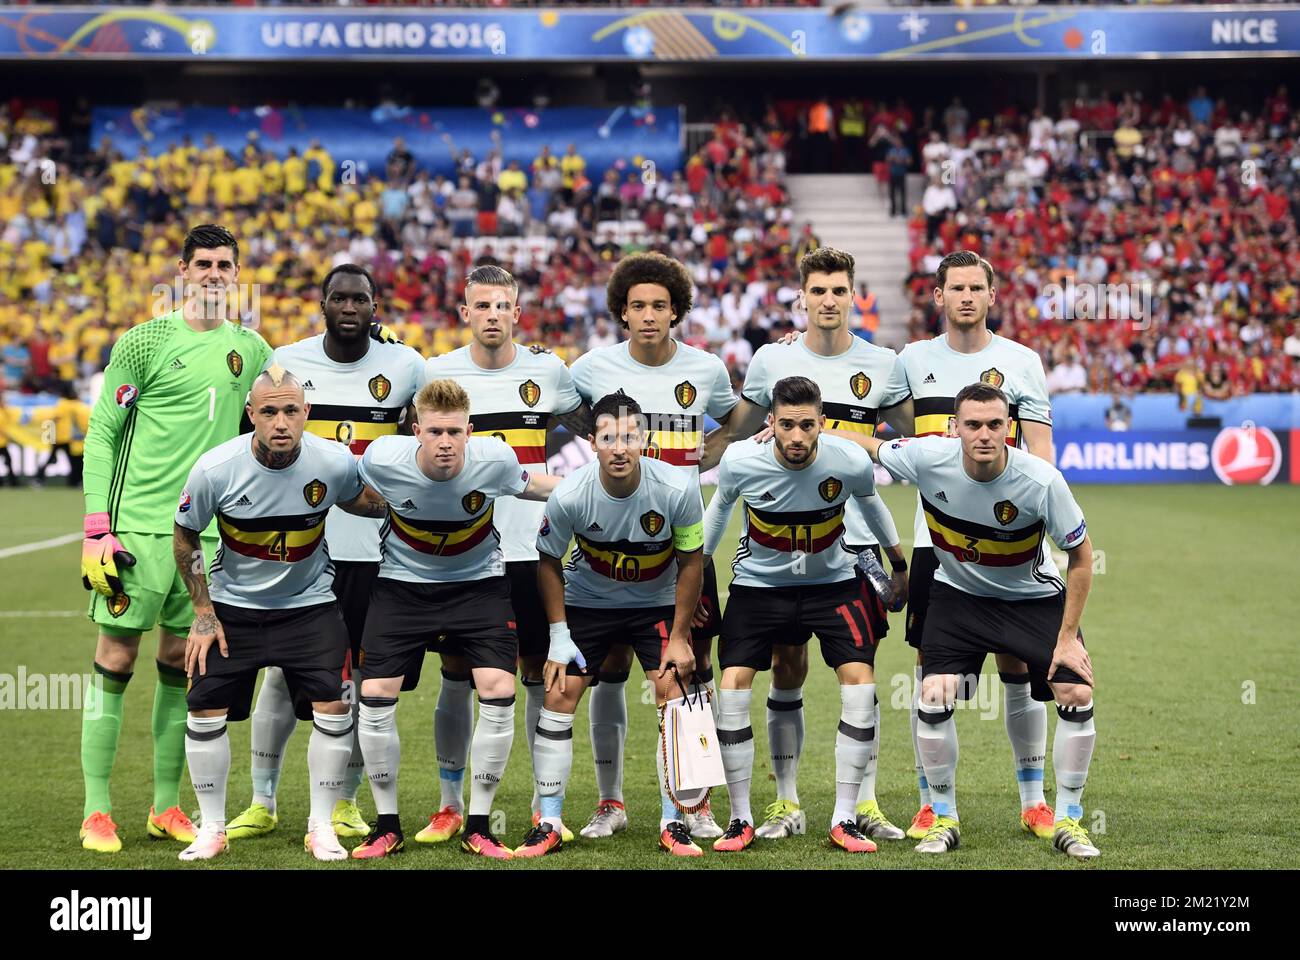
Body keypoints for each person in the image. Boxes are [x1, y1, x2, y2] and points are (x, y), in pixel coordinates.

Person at [700, 247, 912, 842]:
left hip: (857, 545)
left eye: (838, 291)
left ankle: (863, 802)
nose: (828, 301)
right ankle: (784, 802)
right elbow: (738, 429)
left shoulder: (883, 362)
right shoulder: (773, 359)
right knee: (787, 668)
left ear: (852, 295)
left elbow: (914, 430)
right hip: (776, 545)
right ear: (803, 296)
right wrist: (676, 465)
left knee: (861, 668)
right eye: (817, 291)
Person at [77, 224, 273, 854]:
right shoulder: (144, 342)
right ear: (184, 272)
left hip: (209, 538)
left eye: (225, 264)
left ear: (237, 274)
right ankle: (96, 810)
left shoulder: (253, 349)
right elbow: (104, 432)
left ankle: (166, 806)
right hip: (136, 528)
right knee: (115, 660)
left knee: (179, 667)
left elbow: (286, 414)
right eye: (204, 264)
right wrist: (96, 525)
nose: (215, 273)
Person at [225, 263, 427, 843]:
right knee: (282, 677)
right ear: (322, 304)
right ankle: (262, 800)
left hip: (375, 552)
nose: (348, 307)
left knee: (364, 679)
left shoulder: (405, 364)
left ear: (374, 305)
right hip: (300, 546)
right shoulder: (286, 361)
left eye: (359, 298)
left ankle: (344, 802)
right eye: (337, 297)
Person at [861, 382, 1099, 859]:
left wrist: (1068, 636)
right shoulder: (927, 457)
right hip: (960, 596)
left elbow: (1081, 554)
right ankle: (943, 817)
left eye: (995, 424)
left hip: (1032, 598)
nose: (984, 434)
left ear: (1009, 428)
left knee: (1076, 691)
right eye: (972, 424)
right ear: (955, 428)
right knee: (933, 693)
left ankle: (1070, 819)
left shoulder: (1041, 481)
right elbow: (868, 444)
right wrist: (801, 431)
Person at [171, 366, 385, 861]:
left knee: (335, 710)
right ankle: (212, 827)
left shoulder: (333, 462)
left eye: (291, 410)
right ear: (251, 415)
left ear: (307, 413)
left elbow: (366, 501)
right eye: (269, 412)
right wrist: (203, 611)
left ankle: (320, 825)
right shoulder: (215, 469)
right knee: (203, 711)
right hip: (233, 610)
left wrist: (421, 489)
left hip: (309, 607)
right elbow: (184, 535)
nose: (281, 422)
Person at [350, 379, 559, 861]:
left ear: (470, 431)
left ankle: (480, 824)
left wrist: (603, 489)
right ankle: (386, 826)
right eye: (435, 432)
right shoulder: (382, 458)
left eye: (455, 433)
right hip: (401, 587)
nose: (445, 443)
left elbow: (534, 486)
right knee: (375, 694)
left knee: (498, 690)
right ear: (416, 431)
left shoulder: (496, 460)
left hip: (479, 587)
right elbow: (338, 482)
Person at [568, 251, 737, 841]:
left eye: (659, 305)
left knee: (691, 673)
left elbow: (738, 422)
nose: (647, 315)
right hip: (611, 548)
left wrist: (700, 460)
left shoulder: (706, 369)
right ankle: (610, 802)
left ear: (677, 311)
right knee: (610, 669)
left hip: (682, 550)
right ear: (620, 312)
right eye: (636, 305)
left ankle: (694, 803)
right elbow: (564, 418)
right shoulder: (591, 369)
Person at [891, 251, 1058, 843]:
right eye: (954, 287)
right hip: (936, 542)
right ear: (938, 296)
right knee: (931, 670)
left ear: (992, 295)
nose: (965, 296)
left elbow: (1039, 451)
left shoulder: (1022, 362)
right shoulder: (910, 360)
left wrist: (1037, 530)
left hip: (1010, 541)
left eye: (975, 287)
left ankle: (1034, 799)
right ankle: (932, 802)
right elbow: (871, 419)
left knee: (1018, 665)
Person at [425, 265, 590, 844]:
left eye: (503, 306)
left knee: (540, 674)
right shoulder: (436, 373)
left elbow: (593, 423)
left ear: (518, 312)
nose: (493, 315)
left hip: (532, 549)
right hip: (463, 553)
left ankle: (547, 808)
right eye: (482, 305)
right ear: (464, 312)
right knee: (455, 674)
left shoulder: (549, 370)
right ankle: (449, 804)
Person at [518, 392, 703, 858]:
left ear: (645, 439)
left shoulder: (678, 489)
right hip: (589, 602)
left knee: (675, 689)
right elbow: (547, 562)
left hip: (656, 602)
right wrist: (559, 637)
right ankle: (551, 822)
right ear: (592, 442)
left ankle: (673, 822)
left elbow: (692, 561)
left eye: (628, 437)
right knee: (558, 692)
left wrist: (679, 637)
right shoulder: (570, 494)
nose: (619, 448)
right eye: (608, 438)